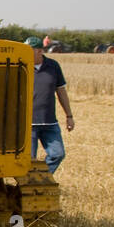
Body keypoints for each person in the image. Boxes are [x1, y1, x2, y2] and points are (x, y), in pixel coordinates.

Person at [26, 36, 74, 175]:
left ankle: (40, 179)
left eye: (29, 50)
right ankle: (27, 189)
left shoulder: (53, 66)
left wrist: (69, 116)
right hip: (28, 124)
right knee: (28, 160)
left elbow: (61, 91)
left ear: (40, 51)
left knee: (57, 154)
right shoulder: (21, 65)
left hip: (50, 122)